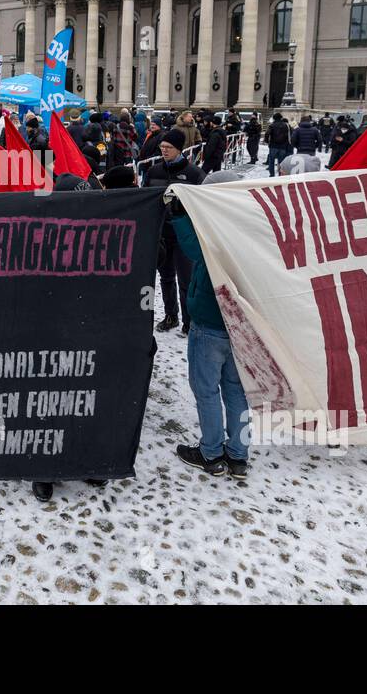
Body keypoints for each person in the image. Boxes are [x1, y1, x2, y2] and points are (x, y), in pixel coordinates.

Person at [172, 171, 251, 480]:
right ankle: (239, 456)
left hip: (210, 321)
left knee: (206, 390)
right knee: (236, 391)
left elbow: (195, 250)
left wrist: (178, 215)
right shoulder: (252, 223)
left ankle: (211, 453)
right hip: (243, 324)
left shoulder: (220, 226)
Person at [145, 129, 205, 335]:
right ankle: (171, 316)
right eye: (162, 147)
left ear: (179, 149)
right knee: (166, 277)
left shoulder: (194, 174)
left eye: (168, 147)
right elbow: (145, 200)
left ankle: (189, 321)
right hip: (162, 233)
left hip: (185, 236)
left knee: (186, 280)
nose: (164, 150)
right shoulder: (154, 172)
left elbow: (203, 204)